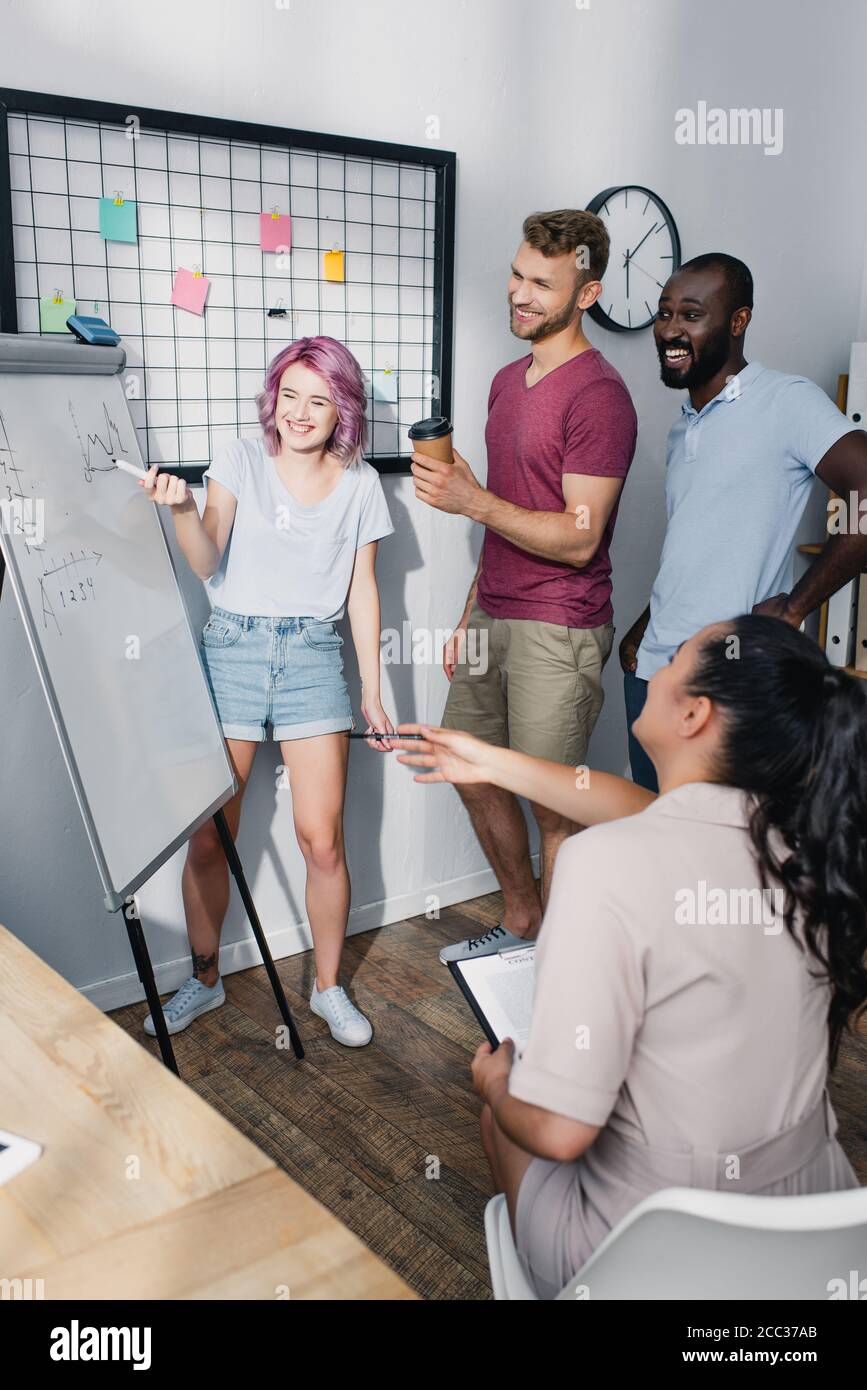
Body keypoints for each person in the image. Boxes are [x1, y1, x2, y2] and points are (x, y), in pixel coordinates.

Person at [393, 614, 867, 1299]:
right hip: (814, 1228)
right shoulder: (808, 849)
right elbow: (635, 807)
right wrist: (485, 760)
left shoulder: (603, 864)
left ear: (694, 713)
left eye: (672, 658)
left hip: (653, 1255)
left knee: (505, 1116)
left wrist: (496, 1085)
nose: (654, 663)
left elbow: (559, 1133)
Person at [139, 337, 395, 1047]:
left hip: (313, 656)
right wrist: (184, 510)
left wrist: (372, 690)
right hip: (233, 651)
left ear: (341, 407)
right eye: (289, 395)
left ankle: (326, 988)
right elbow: (206, 558)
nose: (300, 412)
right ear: (272, 397)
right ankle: (206, 978)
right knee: (209, 838)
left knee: (323, 842)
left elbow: (364, 590)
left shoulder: (359, 483)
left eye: (319, 399)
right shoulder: (240, 459)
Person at [411, 209, 637, 963]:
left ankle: (571, 965)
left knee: (552, 804)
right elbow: (509, 511)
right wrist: (468, 612)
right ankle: (524, 919)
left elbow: (577, 537)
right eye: (517, 274)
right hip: (494, 615)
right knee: (468, 771)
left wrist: (472, 501)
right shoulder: (507, 381)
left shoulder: (599, 396)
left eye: (542, 283)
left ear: (586, 293)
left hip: (559, 625)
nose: (519, 293)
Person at [620, 252, 867, 792]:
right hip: (653, 673)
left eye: (691, 314)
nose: (670, 330)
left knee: (720, 855)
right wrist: (646, 623)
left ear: (738, 322)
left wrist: (795, 606)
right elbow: (704, 541)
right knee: (651, 837)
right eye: (664, 314)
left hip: (729, 679)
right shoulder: (684, 426)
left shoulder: (786, 401)